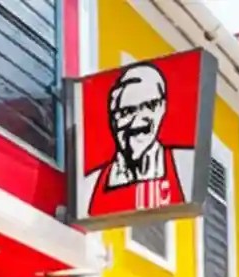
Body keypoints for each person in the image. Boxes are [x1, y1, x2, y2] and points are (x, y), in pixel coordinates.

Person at [82, 62, 193, 217]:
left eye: (149, 105)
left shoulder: (186, 166)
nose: (138, 121)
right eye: (127, 111)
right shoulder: (89, 187)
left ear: (162, 108)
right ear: (113, 120)